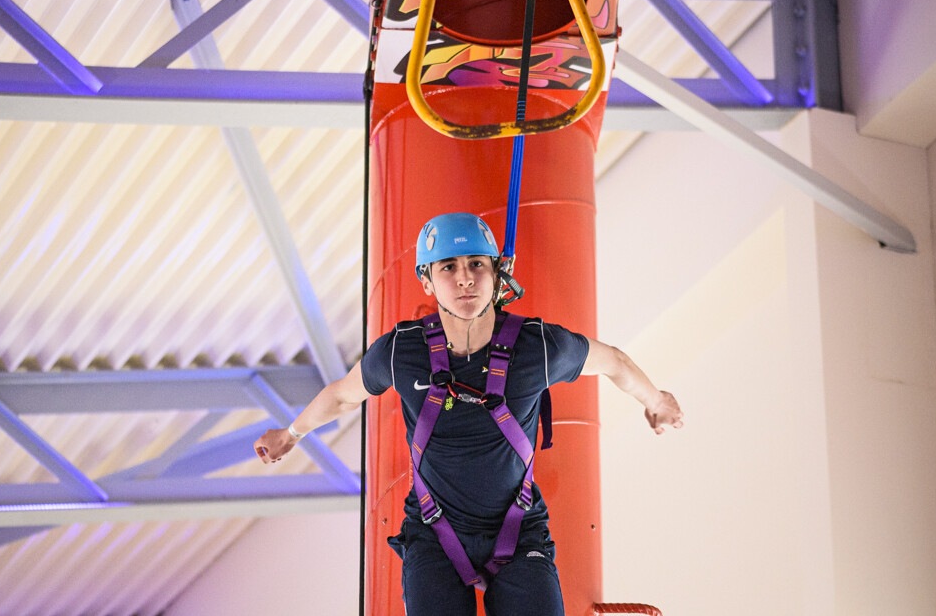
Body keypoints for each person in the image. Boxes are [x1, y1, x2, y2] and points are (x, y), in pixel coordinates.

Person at [254, 212, 683, 616]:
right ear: (426, 281)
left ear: (497, 273)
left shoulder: (536, 346)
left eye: (477, 264)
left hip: (518, 532)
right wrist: (291, 433)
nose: (464, 278)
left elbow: (614, 362)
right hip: (434, 532)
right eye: (447, 267)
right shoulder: (402, 351)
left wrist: (657, 402)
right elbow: (343, 396)